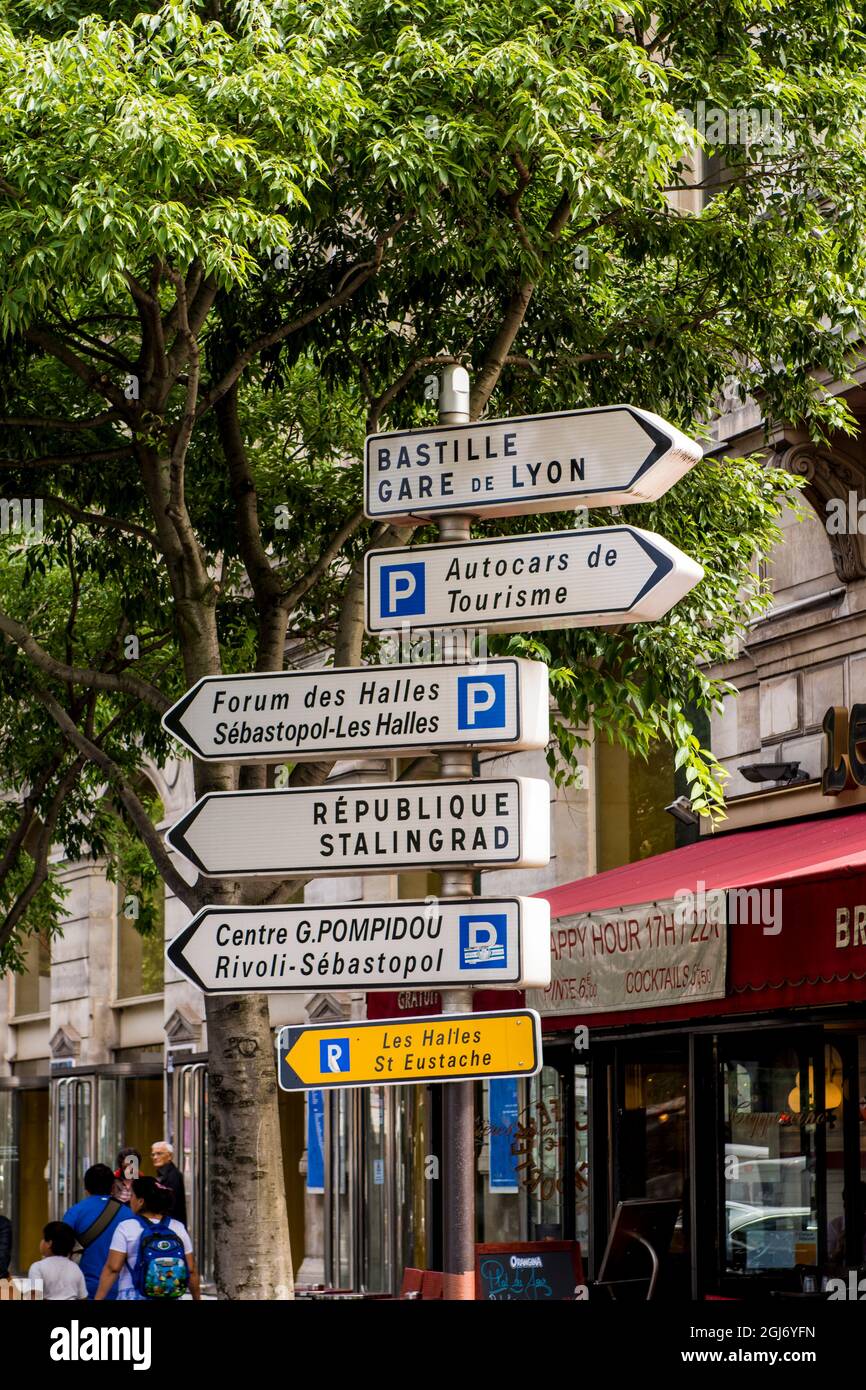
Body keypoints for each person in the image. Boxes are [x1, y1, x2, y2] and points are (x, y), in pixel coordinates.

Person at [94, 1175, 200, 1301]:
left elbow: (113, 1268)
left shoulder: (126, 1227)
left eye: (132, 1196)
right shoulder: (177, 1227)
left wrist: (98, 1298)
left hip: (133, 1294)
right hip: (169, 1295)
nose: (130, 1200)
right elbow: (191, 1270)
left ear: (140, 1201)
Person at [63, 1163, 124, 1300]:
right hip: (122, 1288)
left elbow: (61, 1249)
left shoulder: (75, 1212)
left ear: (86, 1188)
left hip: (85, 1287)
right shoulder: (129, 1214)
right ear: (113, 1187)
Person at [27, 1221, 87, 1300]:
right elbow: (83, 1297)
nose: (41, 1241)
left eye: (43, 1238)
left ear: (49, 1243)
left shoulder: (37, 1267)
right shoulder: (75, 1268)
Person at [151, 1140, 187, 1227]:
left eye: (159, 1153)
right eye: (153, 1154)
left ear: (170, 1156)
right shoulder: (163, 1174)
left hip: (171, 1226)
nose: (155, 1157)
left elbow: (172, 1206)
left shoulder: (173, 1176)